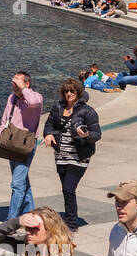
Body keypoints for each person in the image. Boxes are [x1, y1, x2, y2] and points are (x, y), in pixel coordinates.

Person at [41, 78, 101, 231]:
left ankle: (71, 224)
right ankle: (70, 218)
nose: (69, 94)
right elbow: (49, 124)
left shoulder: (87, 111)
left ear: (78, 93)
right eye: (66, 91)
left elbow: (97, 134)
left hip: (79, 156)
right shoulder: (57, 107)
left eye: (72, 91)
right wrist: (48, 134)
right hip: (61, 155)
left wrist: (85, 135)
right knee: (66, 190)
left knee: (69, 188)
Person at [0, 71, 42, 220]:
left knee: (17, 184)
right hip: (11, 141)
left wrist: (23, 89)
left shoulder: (36, 97)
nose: (14, 82)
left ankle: (11, 220)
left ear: (27, 83)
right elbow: (4, 122)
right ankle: (31, 215)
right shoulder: (11, 98)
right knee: (23, 181)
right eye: (14, 79)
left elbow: (33, 103)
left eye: (18, 80)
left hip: (26, 143)